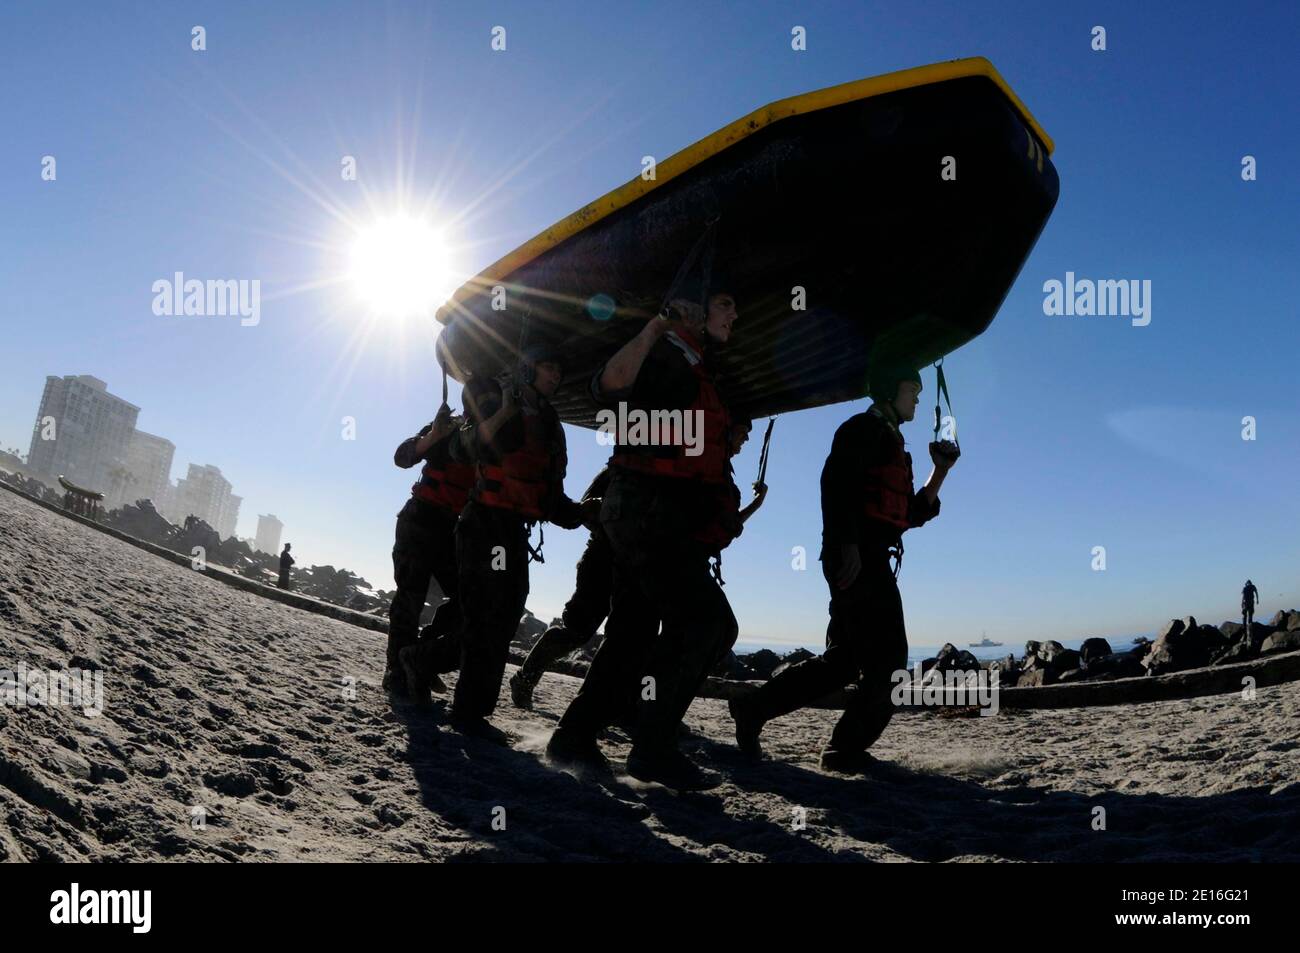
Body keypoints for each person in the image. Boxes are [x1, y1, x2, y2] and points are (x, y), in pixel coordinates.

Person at [547, 284, 739, 790]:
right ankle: (652, 747)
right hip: (648, 515)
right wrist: (656, 323)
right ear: (693, 312)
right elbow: (607, 387)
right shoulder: (665, 356)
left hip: (651, 516)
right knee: (708, 623)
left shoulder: (695, 366)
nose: (734, 313)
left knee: (631, 637)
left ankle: (574, 736)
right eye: (725, 302)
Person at [728, 364, 960, 774]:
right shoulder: (859, 429)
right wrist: (848, 544)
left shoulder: (893, 442)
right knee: (890, 662)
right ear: (890, 393)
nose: (918, 401)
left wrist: (940, 470)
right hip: (856, 557)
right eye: (912, 390)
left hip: (867, 555)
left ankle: (752, 708)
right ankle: (843, 749)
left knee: (843, 662)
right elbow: (833, 483)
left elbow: (909, 512)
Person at [420, 343, 594, 743]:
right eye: (549, 367)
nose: (556, 377)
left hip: (514, 531)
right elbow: (464, 447)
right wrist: (506, 410)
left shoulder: (550, 422)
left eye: (559, 371)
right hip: (483, 524)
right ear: (528, 369)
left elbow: (549, 492)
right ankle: (468, 712)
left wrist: (581, 513)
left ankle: (421, 659)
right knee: (484, 619)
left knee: (504, 617)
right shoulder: (491, 397)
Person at [385, 404, 476, 701]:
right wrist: (433, 435)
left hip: (452, 530)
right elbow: (403, 457)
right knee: (410, 597)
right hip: (420, 520)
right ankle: (397, 673)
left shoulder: (496, 440)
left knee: (467, 600)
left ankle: (420, 655)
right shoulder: (448, 426)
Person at [508, 466, 613, 710]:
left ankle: (623, 704)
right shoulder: (618, 471)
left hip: (638, 567)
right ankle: (524, 679)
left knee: (631, 638)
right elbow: (584, 510)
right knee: (576, 631)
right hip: (602, 561)